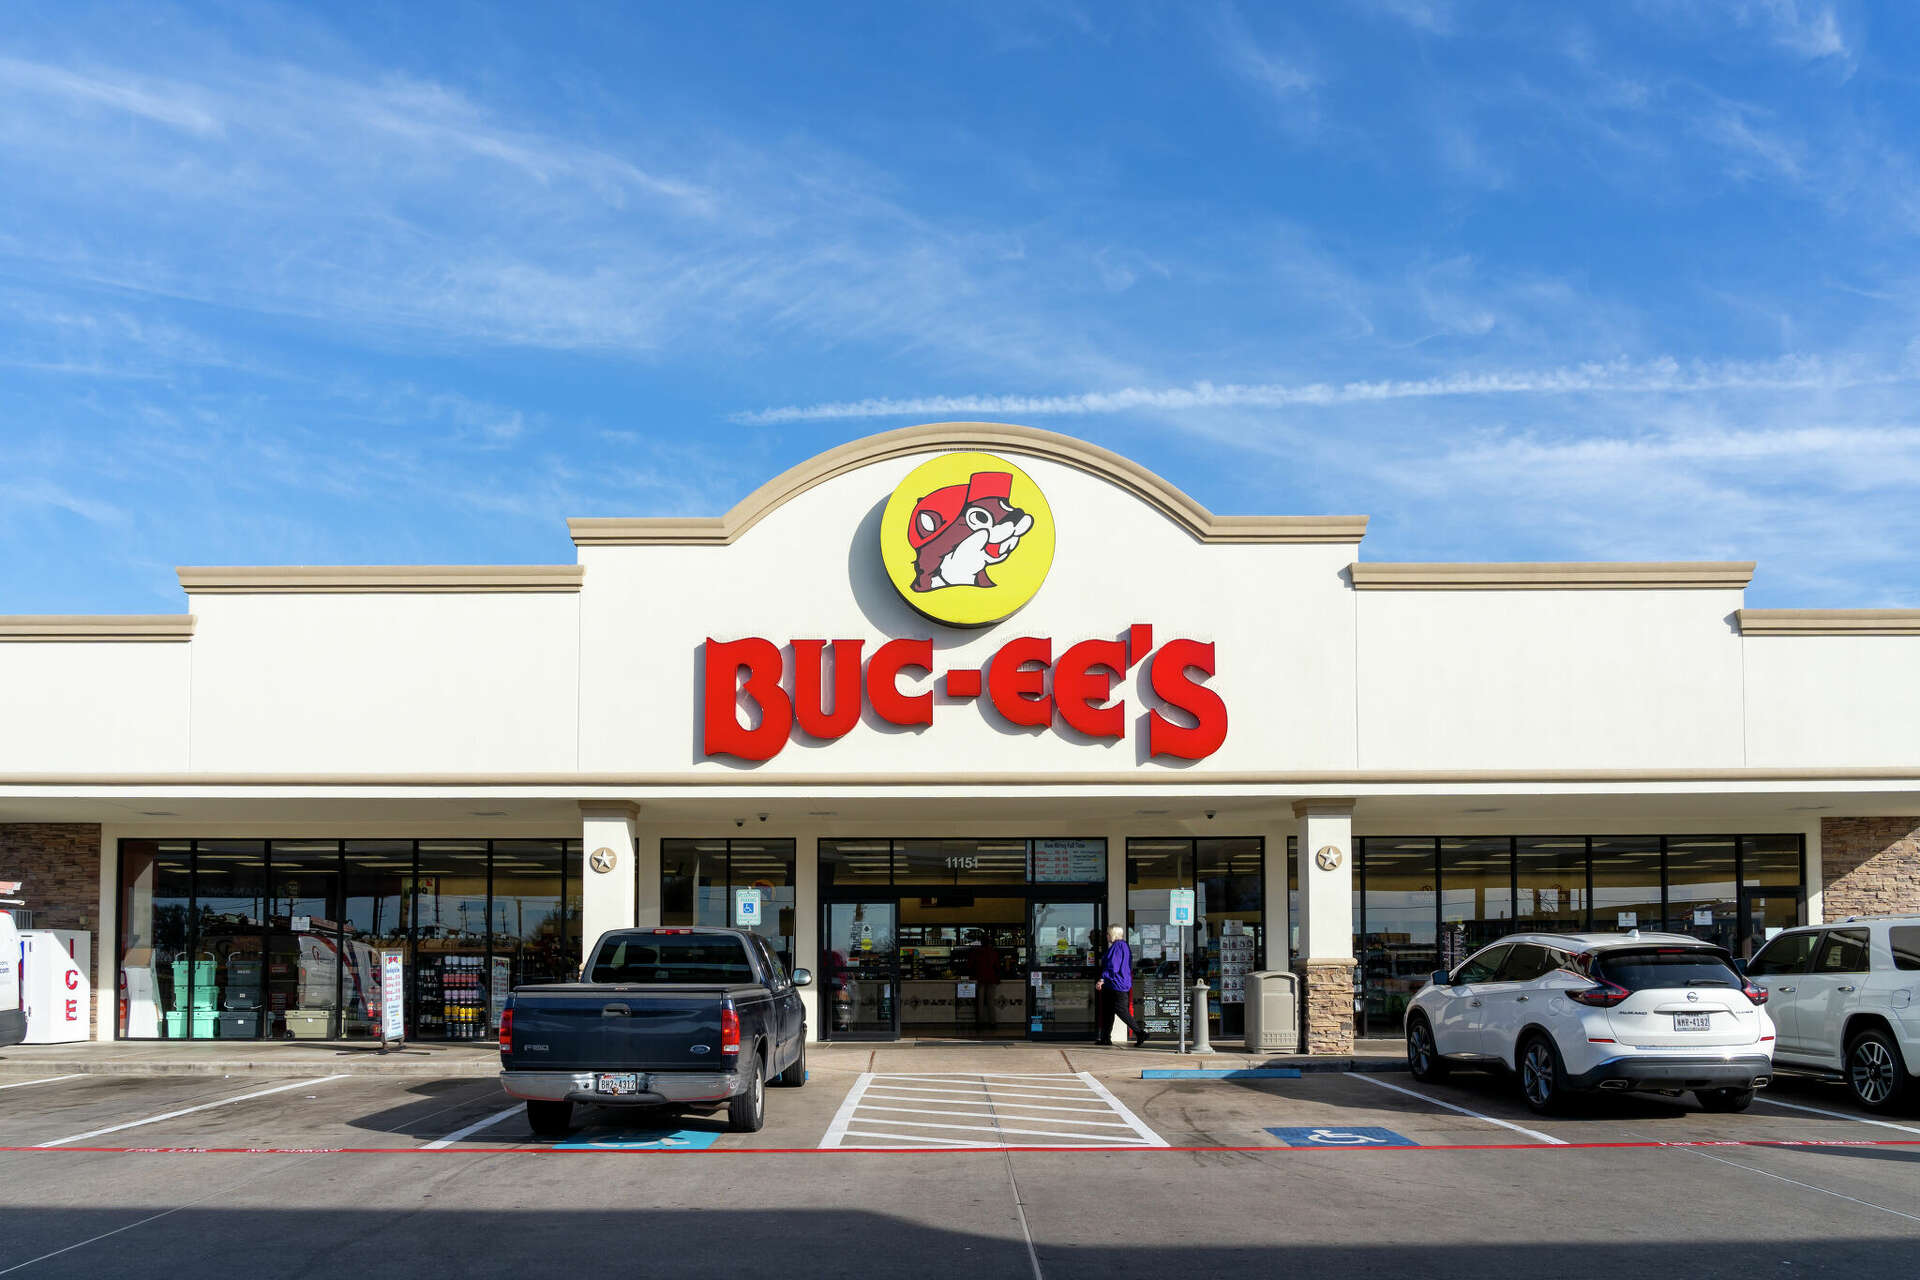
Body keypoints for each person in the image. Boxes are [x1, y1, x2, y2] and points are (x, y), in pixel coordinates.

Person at [1094, 923, 1150, 1047]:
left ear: (1112, 934)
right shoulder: (1122, 946)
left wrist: (1102, 979)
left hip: (1116, 984)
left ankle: (1140, 1033)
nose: (1106, 936)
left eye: (1108, 934)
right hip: (1114, 984)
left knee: (1121, 1010)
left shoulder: (1118, 946)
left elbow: (1113, 966)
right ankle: (1105, 1038)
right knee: (1108, 1012)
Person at [968, 930, 1000, 1029]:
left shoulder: (976, 952)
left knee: (980, 1002)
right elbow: (997, 967)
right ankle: (992, 1023)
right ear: (989, 942)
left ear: (981, 942)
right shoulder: (993, 952)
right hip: (991, 979)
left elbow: (970, 965)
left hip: (980, 979)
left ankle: (980, 1023)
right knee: (991, 1002)